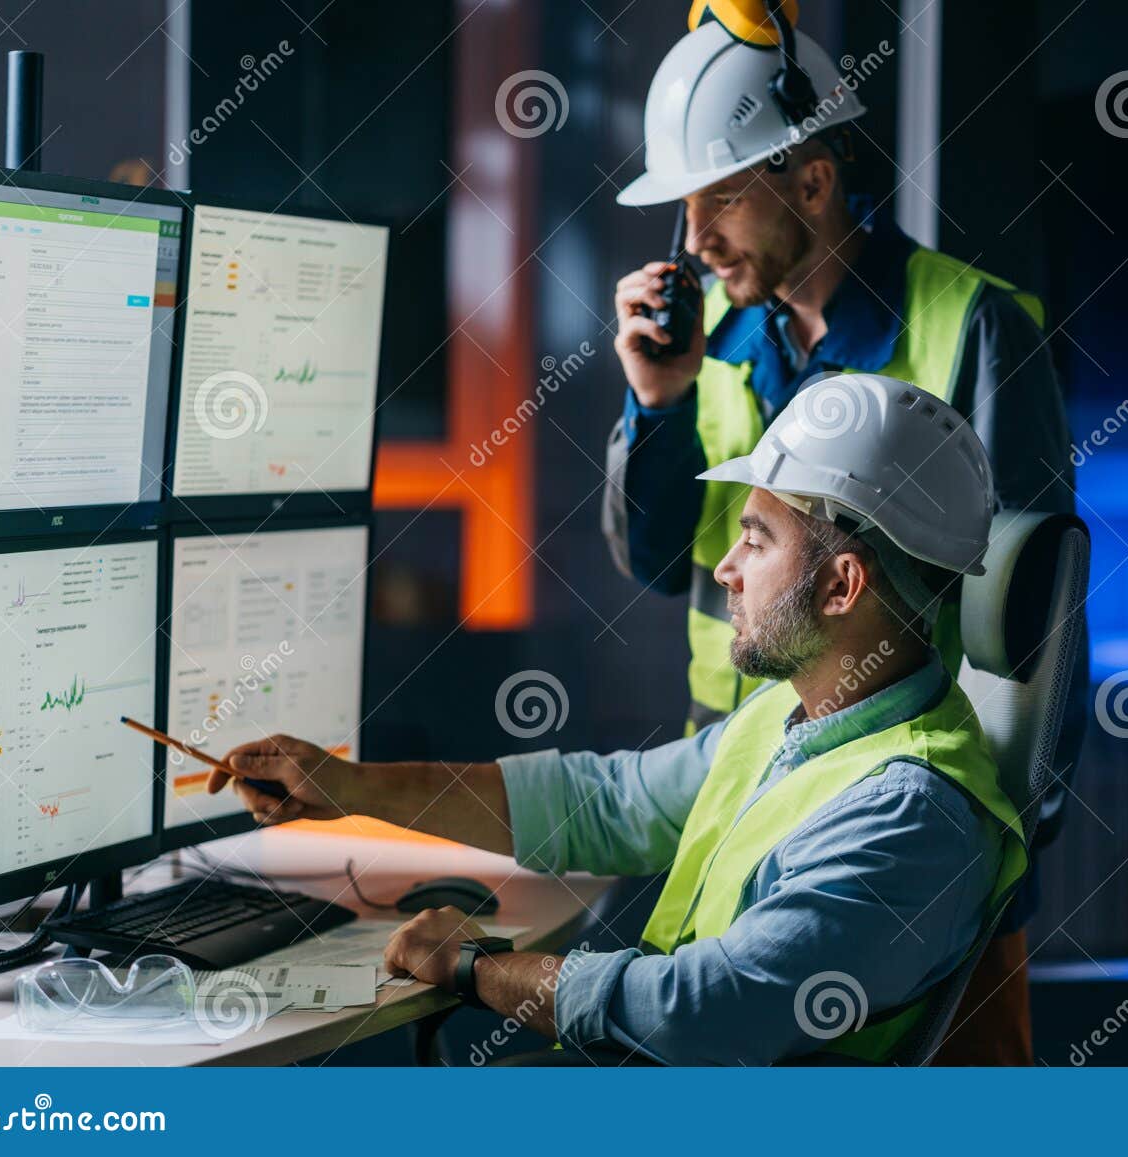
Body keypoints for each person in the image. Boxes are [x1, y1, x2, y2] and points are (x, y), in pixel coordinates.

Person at [213, 376, 1029, 1066]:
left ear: (841, 586)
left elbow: (706, 1010)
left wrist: (476, 968)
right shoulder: (801, 719)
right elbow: (604, 800)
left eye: (756, 538)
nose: (726, 568)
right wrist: (352, 787)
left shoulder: (907, 811)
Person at [603, 4, 1080, 1063]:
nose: (694, 242)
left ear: (810, 181)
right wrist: (655, 402)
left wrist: (981, 868)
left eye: (718, 200)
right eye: (683, 210)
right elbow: (648, 554)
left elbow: (1034, 623)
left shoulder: (974, 325)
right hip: (738, 803)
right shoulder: (708, 345)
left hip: (898, 843)